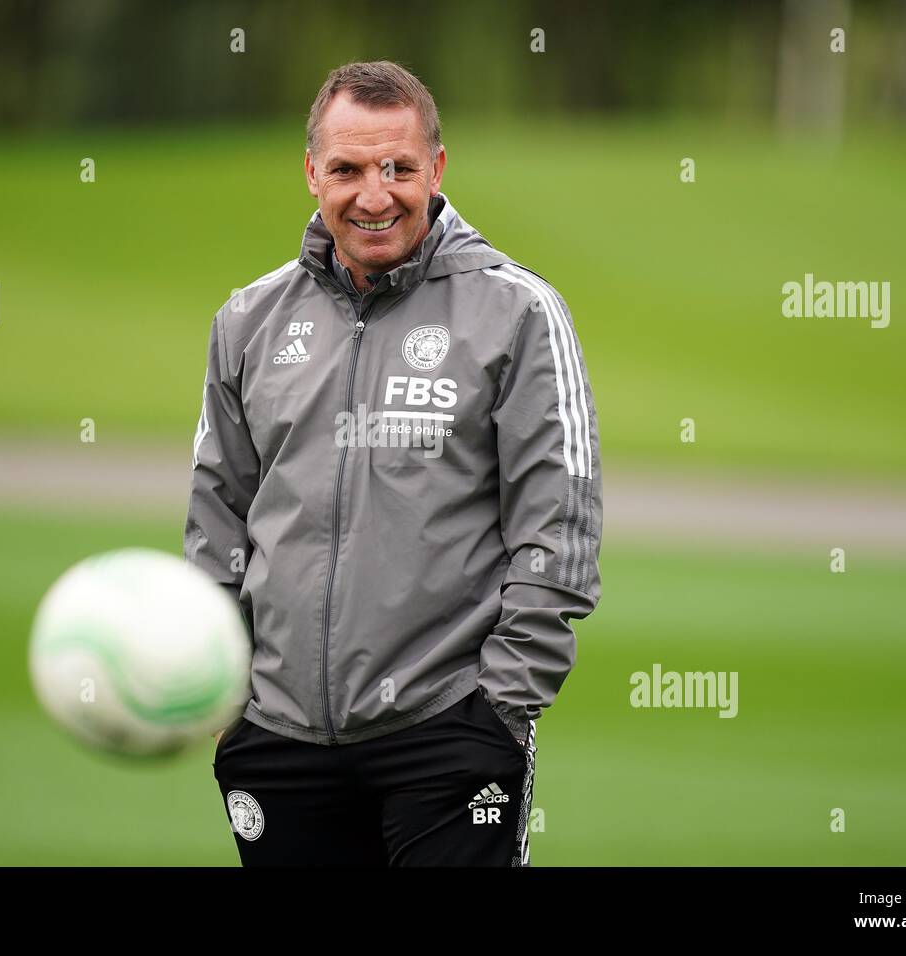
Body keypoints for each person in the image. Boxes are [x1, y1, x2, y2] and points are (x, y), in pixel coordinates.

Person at [183, 60, 602, 866]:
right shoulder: (249, 319)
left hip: (447, 731)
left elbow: (560, 528)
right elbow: (217, 516)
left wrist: (502, 708)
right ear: (312, 173)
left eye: (397, 168)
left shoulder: (516, 311)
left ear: (436, 169)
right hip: (278, 736)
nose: (373, 195)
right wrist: (225, 694)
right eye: (346, 169)